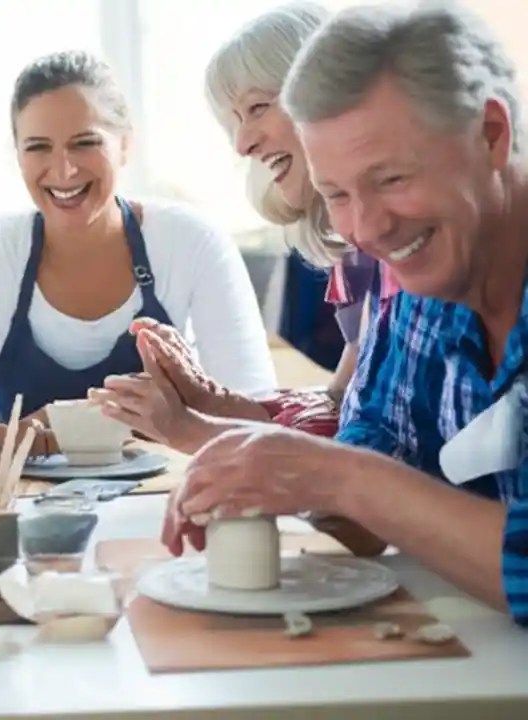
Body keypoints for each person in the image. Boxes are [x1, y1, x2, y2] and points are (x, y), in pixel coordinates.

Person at [163, 1, 528, 625]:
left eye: (391, 179)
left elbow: (361, 478)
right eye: (336, 195)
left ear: (491, 135)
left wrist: (335, 477)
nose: (367, 230)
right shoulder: (420, 283)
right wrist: (267, 469)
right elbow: (372, 453)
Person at [0, 50, 275, 464]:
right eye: (38, 147)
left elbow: (257, 418)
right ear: (18, 154)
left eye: (86, 143)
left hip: (161, 503)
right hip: (23, 508)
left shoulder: (192, 242)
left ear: (125, 144)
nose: (63, 170)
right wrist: (44, 437)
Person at [91, 2, 402, 457]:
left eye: (258, 107)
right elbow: (341, 406)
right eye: (234, 121)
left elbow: (371, 452)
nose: (242, 142)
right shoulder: (358, 257)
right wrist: (211, 401)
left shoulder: (406, 251)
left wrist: (191, 429)